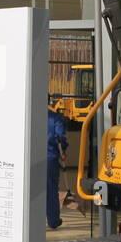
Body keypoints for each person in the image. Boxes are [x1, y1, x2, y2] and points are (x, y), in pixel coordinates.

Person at [46, 97, 68, 231]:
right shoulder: (55, 118)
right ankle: (53, 220)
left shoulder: (28, 115)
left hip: (30, 158)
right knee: (51, 190)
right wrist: (63, 151)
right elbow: (60, 137)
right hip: (49, 159)